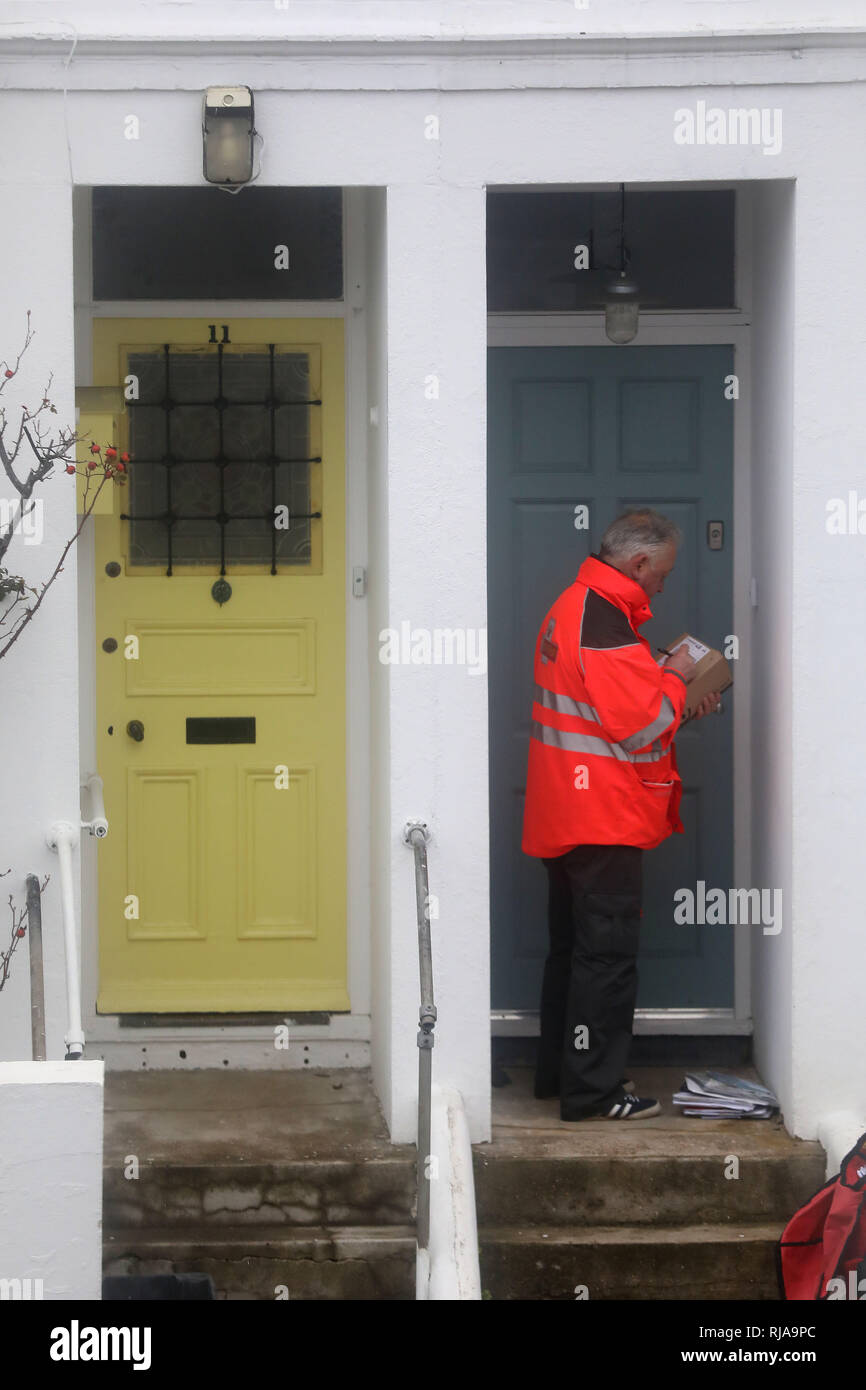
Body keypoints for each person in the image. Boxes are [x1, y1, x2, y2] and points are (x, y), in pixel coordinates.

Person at [521, 509, 722, 1121]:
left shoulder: (575, 605)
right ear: (638, 563)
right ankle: (595, 1093)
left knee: (573, 952)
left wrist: (671, 694)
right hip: (602, 816)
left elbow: (606, 707)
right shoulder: (606, 624)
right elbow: (639, 727)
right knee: (605, 960)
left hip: (568, 810)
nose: (663, 584)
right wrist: (679, 679)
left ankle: (562, 1075)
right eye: (662, 573)